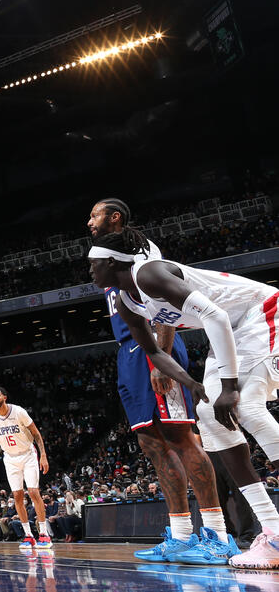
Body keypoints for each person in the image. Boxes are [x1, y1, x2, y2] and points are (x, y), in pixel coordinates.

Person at [88, 229, 279, 567]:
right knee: (209, 417)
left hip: (260, 310)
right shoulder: (126, 301)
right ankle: (274, 532)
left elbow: (216, 315)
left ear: (112, 261)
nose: (90, 271)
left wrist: (229, 386)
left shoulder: (149, 274)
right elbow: (154, 354)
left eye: (94, 263)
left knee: (244, 406)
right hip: (231, 330)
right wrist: (191, 383)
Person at [87, 199, 227, 562]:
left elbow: (166, 309)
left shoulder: (145, 256)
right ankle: (182, 535)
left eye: (95, 215)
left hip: (152, 346)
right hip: (128, 349)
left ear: (115, 217)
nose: (89, 222)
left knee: (182, 437)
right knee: (152, 443)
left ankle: (218, 535)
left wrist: (159, 359)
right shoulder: (110, 256)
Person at [0, 387, 51, 549]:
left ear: (4, 397)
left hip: (28, 454)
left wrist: (43, 455)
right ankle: (28, 536)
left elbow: (35, 433)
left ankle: (44, 534)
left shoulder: (18, 411)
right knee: (17, 496)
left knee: (34, 492)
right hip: (10, 457)